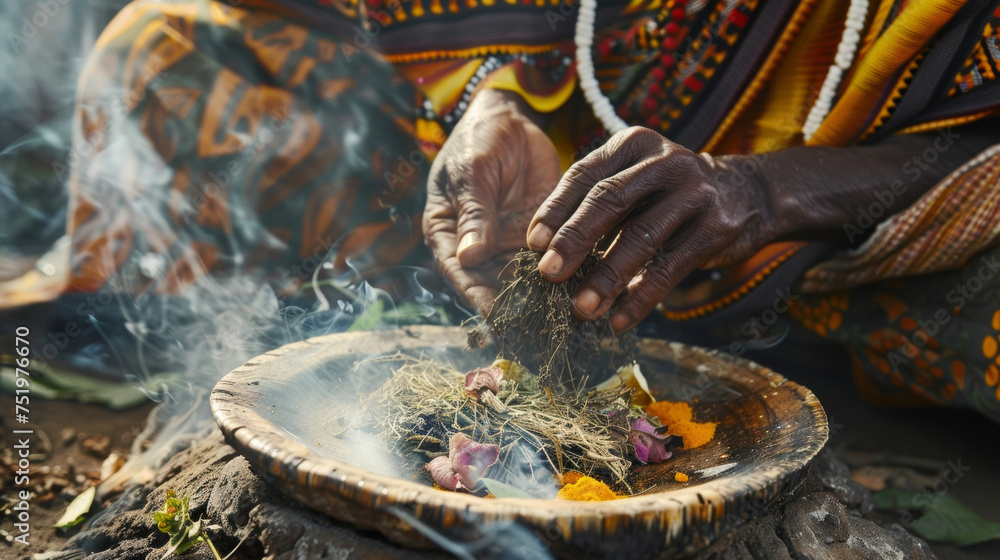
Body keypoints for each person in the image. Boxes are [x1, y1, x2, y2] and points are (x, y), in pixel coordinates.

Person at [4, 0, 999, 419]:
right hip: (519, 157)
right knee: (175, 53)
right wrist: (487, 99)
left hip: (899, 224)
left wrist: (764, 190)